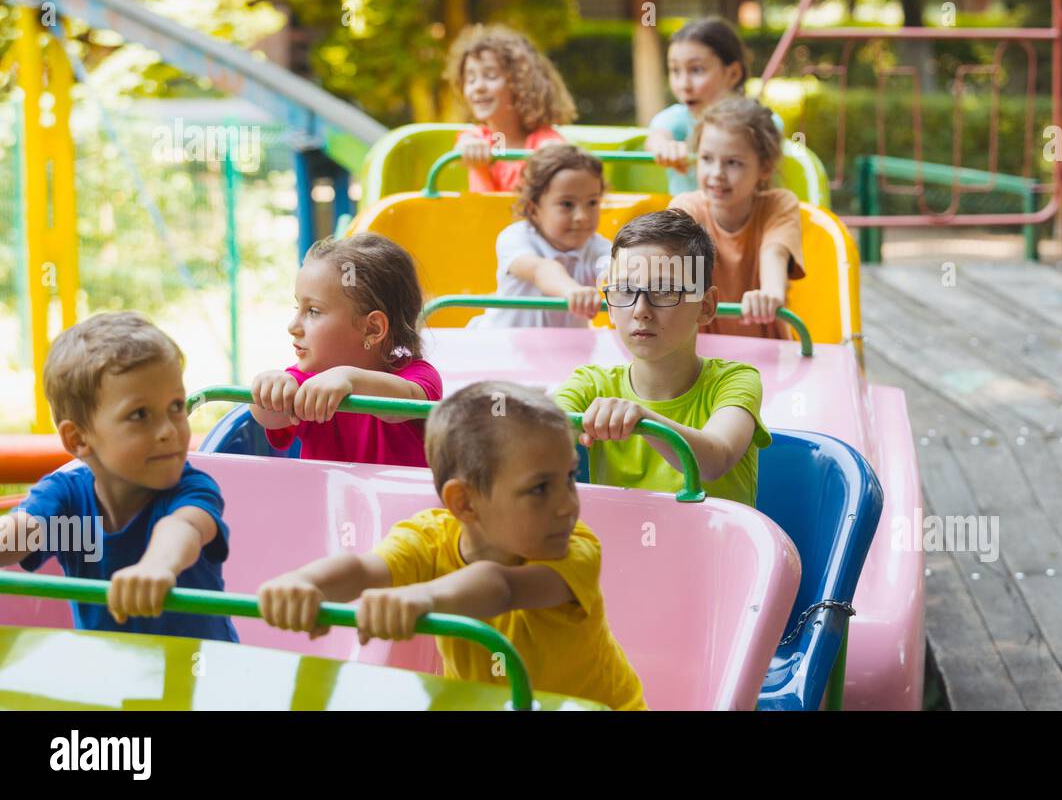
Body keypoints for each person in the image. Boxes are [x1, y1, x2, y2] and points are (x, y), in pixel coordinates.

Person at [257, 381, 647, 710]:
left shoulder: (575, 548)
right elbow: (363, 570)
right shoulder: (429, 537)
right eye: (541, 488)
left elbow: (500, 586)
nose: (568, 504)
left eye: (569, 478)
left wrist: (420, 599)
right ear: (464, 502)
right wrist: (305, 585)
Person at [0, 312, 237, 641]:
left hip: (199, 677)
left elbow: (183, 528)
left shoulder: (190, 489)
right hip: (113, 676)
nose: (169, 430)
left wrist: (158, 566)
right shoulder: (67, 498)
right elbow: (23, 530)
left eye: (176, 406)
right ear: (79, 439)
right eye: (140, 414)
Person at [554, 210, 771, 506]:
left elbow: (715, 459)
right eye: (625, 290)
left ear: (706, 306)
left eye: (665, 291)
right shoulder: (590, 384)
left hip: (715, 550)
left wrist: (643, 420)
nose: (641, 309)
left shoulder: (736, 380)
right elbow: (539, 439)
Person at [250, 233, 442, 467]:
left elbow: (404, 405)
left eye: (313, 311)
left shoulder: (418, 377)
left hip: (407, 504)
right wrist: (270, 387)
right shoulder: (306, 380)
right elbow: (270, 418)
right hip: (330, 503)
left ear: (372, 328)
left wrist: (348, 377)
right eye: (297, 307)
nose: (293, 327)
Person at [671, 96, 805, 340]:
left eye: (733, 163)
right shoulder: (687, 208)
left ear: (764, 167)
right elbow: (662, 260)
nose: (717, 174)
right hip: (700, 354)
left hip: (765, 349)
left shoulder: (778, 206)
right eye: (707, 159)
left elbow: (774, 253)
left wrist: (770, 293)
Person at [472, 143, 611, 329]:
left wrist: (619, 276)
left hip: (564, 348)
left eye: (592, 202)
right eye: (567, 204)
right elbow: (540, 270)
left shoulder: (598, 247)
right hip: (503, 343)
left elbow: (616, 269)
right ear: (534, 209)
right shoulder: (515, 237)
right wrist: (572, 291)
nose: (582, 216)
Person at [644, 17, 783, 195]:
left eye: (696, 70)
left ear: (733, 73)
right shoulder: (676, 119)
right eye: (675, 70)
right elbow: (657, 138)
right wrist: (664, 148)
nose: (683, 84)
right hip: (687, 221)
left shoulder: (763, 123)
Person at [444, 24, 577, 193]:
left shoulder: (542, 139)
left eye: (490, 75)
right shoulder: (479, 138)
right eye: (470, 79)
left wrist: (554, 156)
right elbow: (465, 144)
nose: (478, 87)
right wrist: (469, 148)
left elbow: (556, 151)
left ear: (520, 85)